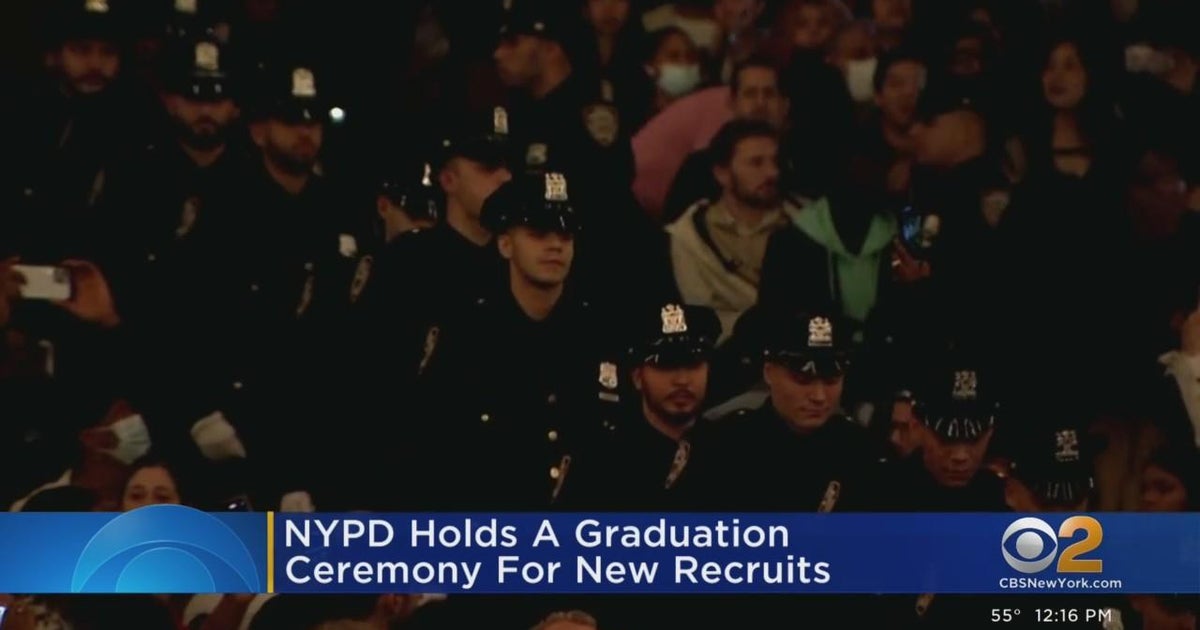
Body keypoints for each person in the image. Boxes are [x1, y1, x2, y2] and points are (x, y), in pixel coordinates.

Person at [411, 171, 620, 511]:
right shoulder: (467, 334)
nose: (555, 245)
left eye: (566, 235)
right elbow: (433, 448)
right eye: (538, 233)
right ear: (505, 244)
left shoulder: (600, 332)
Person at [666, 119, 801, 344]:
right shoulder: (689, 237)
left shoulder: (806, 225)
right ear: (722, 173)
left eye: (775, 162)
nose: (772, 172)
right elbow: (701, 313)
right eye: (756, 163)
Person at [581, 302, 721, 510]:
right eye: (666, 364)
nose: (682, 380)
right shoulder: (603, 459)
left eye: (693, 364)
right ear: (638, 377)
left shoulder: (731, 451)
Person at [662, 56, 792, 222]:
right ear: (732, 103)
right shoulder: (700, 167)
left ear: (785, 106)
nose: (760, 103)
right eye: (750, 94)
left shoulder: (804, 164)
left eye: (769, 94)